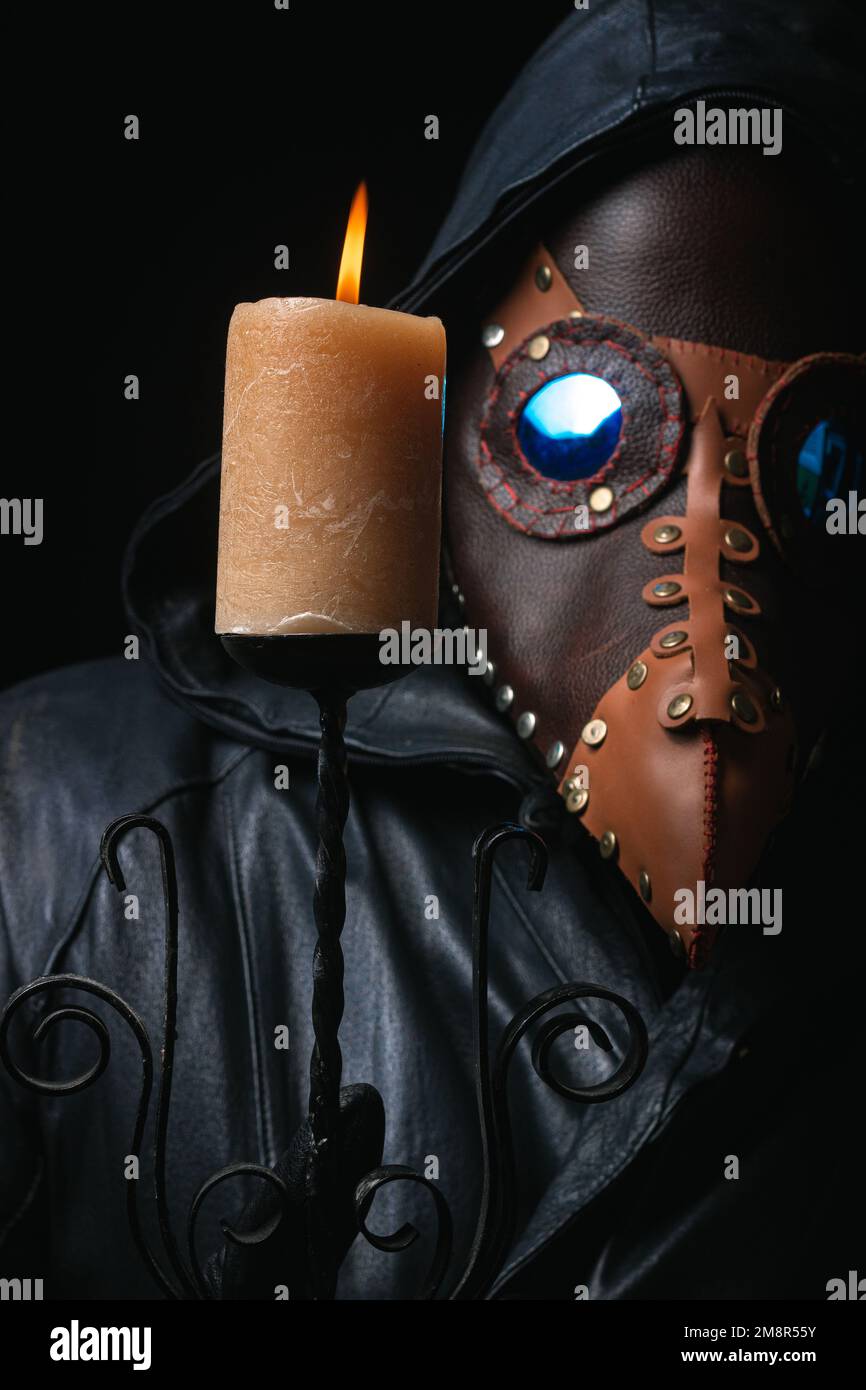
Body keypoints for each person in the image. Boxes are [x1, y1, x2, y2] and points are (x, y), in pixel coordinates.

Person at [1, 0, 863, 1300]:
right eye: (572, 424)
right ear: (438, 431)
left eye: (815, 461)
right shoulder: (54, 823)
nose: (698, 626)